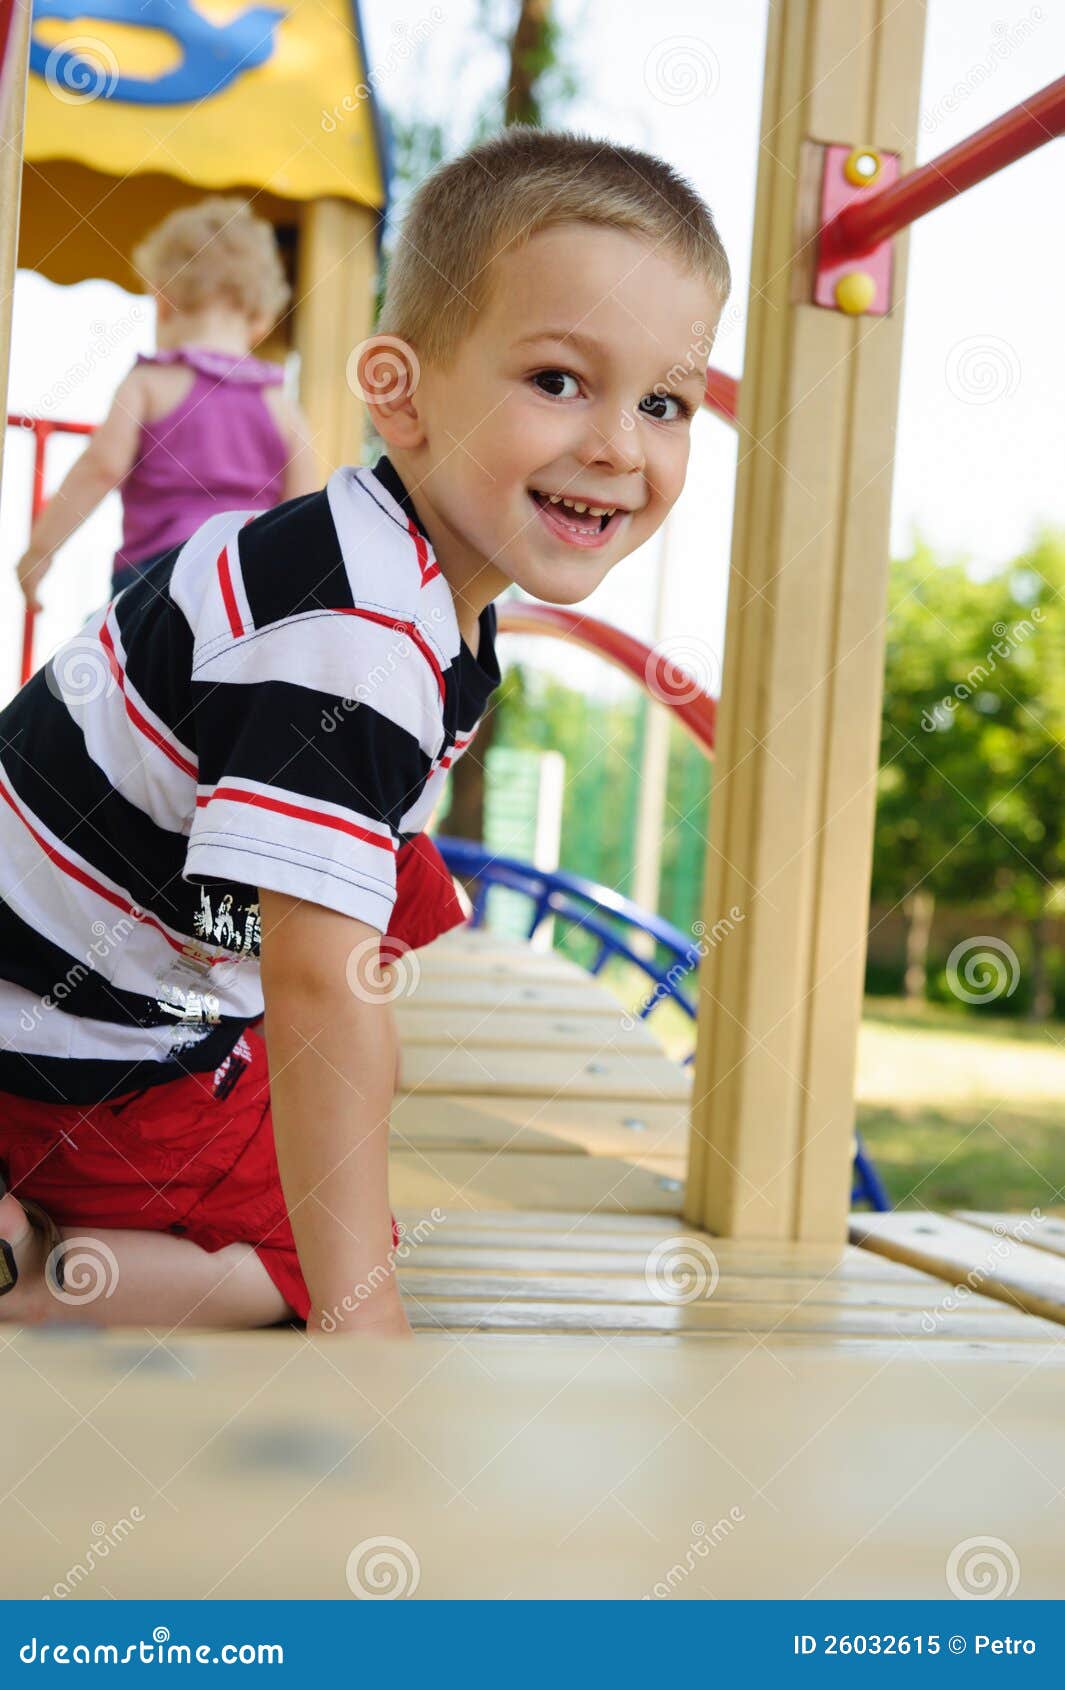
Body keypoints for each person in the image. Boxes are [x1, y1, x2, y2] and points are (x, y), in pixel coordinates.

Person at [0, 127, 731, 1338]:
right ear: (397, 389)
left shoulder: (363, 558)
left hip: (54, 975)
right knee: (318, 1241)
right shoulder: (361, 635)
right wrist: (361, 1310)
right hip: (71, 1049)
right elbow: (313, 981)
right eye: (558, 380)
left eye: (666, 402)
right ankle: (38, 1275)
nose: (617, 443)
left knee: (389, 902)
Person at [16, 196, 319, 610]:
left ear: (160, 301)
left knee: (104, 665)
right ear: (261, 320)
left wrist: (40, 550)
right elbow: (303, 509)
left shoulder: (148, 383)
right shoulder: (280, 405)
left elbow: (100, 468)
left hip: (157, 580)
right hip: (244, 583)